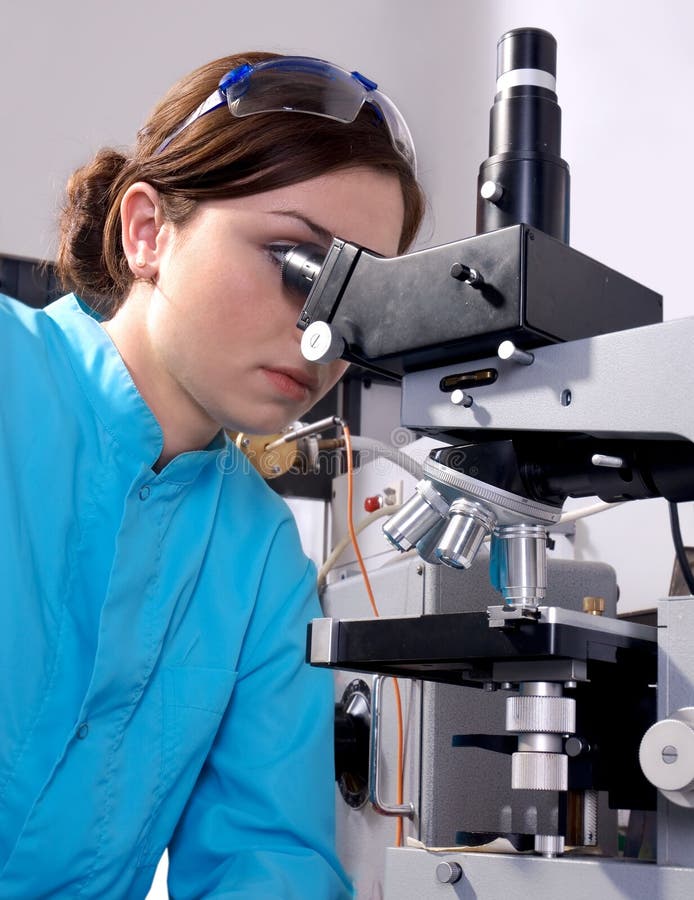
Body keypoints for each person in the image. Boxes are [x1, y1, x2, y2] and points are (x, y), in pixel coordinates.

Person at [0, 52, 424, 898]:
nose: (320, 337)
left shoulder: (263, 559)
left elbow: (269, 856)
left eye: (354, 299)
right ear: (148, 231)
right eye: (292, 260)